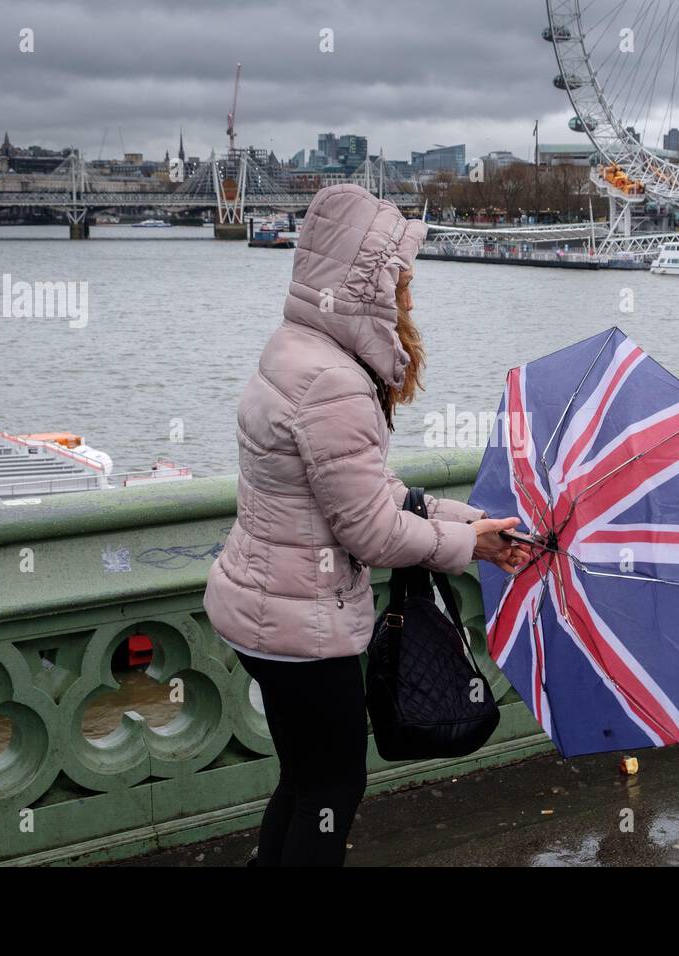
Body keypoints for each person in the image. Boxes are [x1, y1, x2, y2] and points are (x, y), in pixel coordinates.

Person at [204, 184, 528, 868]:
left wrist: (468, 521)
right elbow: (373, 535)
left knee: (304, 778)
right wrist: (471, 546)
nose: (407, 294)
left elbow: (363, 494)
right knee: (332, 786)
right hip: (300, 624)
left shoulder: (295, 348)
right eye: (400, 279)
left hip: (263, 603)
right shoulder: (335, 383)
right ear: (366, 280)